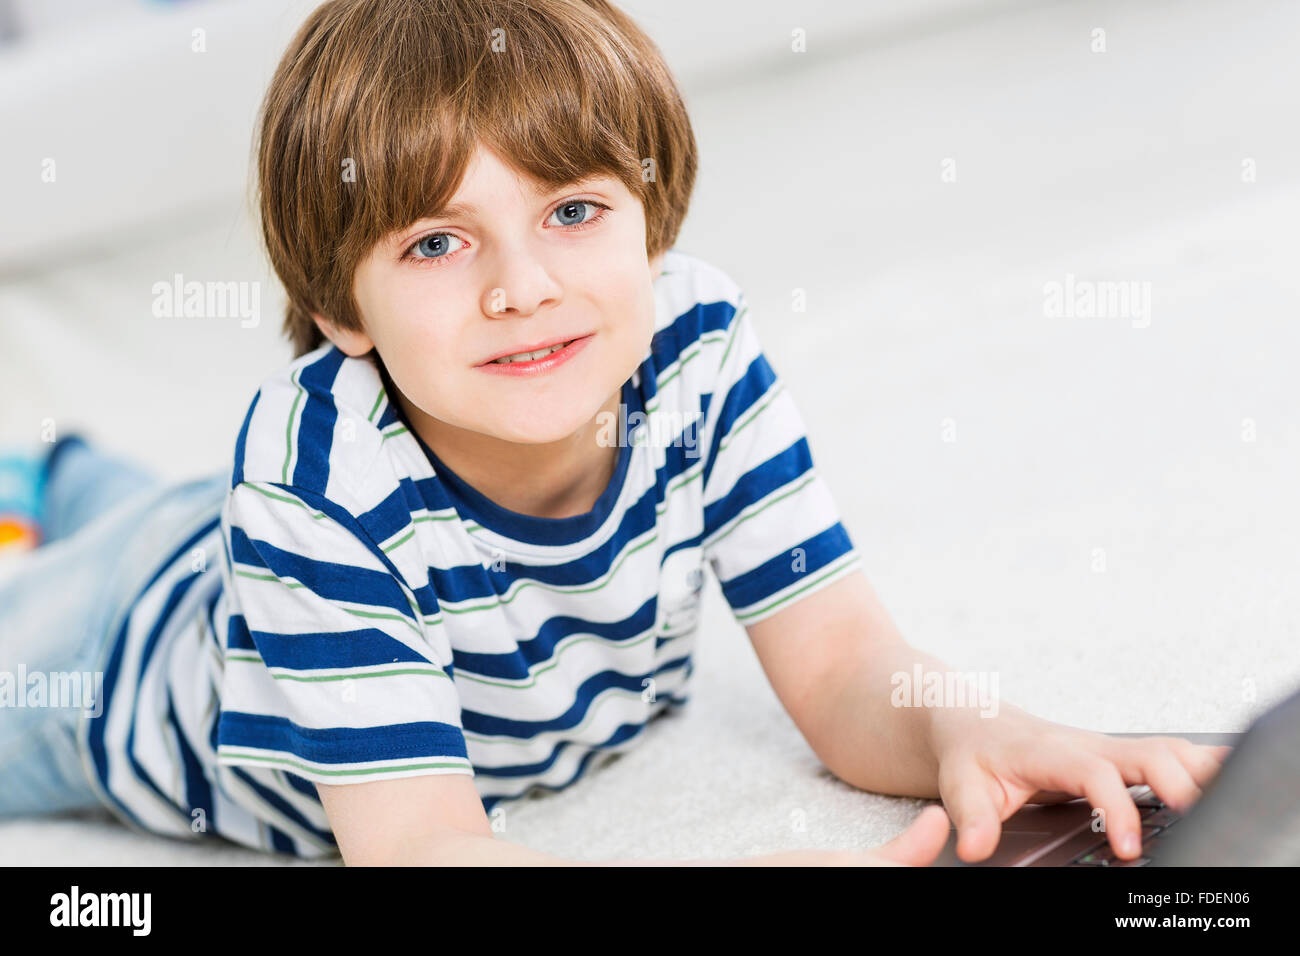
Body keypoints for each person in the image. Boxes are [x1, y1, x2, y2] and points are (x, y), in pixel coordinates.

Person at [0, 0, 1229, 866]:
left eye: (575, 209)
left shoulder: (695, 345)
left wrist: (979, 728)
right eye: (435, 241)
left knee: (140, 498)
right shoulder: (314, 479)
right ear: (335, 308)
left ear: (649, 221)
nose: (522, 285)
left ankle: (60, 467)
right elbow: (423, 842)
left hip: (239, 538)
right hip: (133, 654)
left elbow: (847, 669)